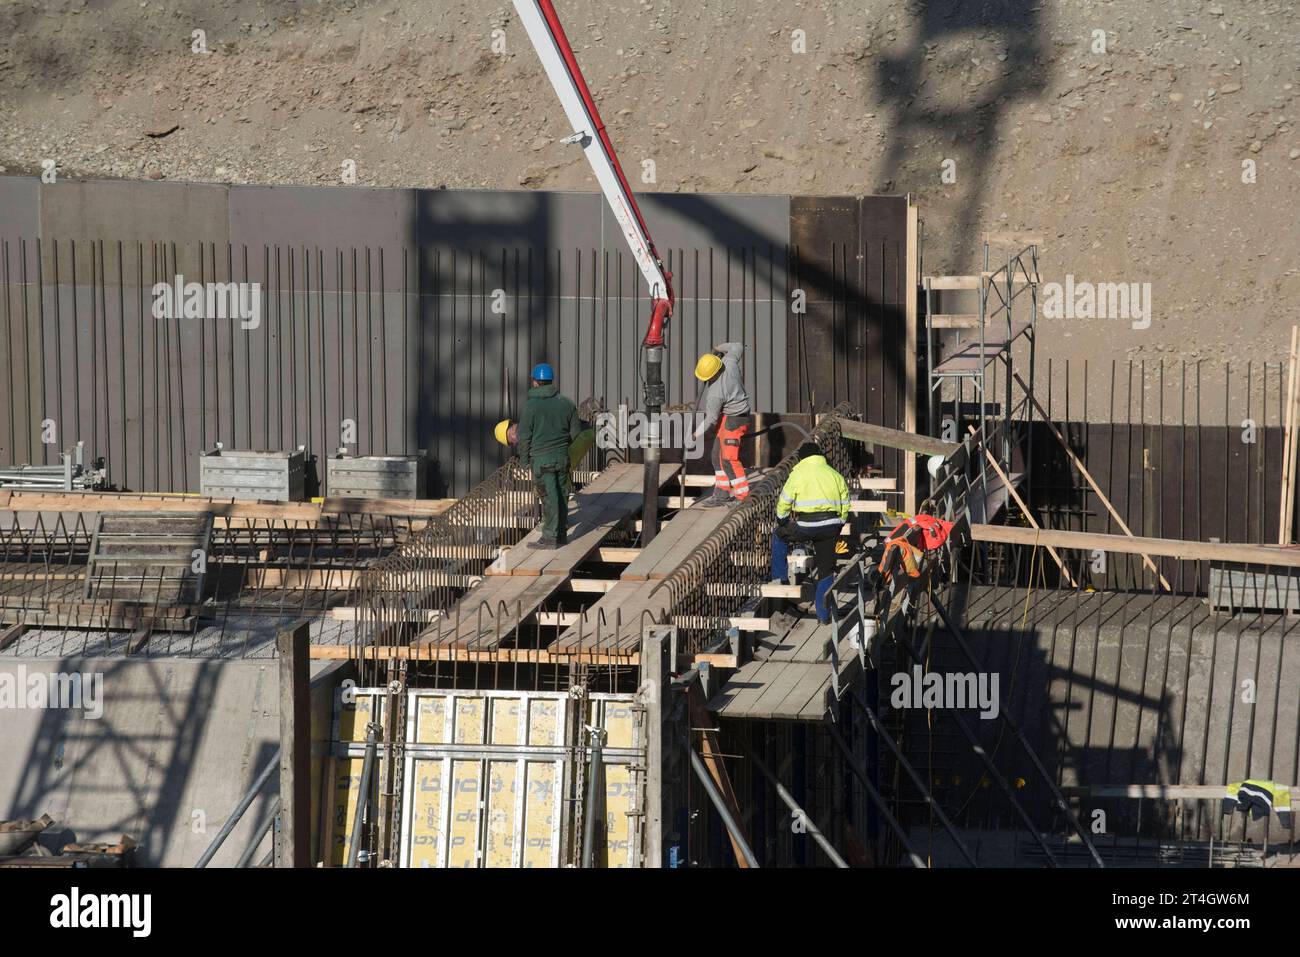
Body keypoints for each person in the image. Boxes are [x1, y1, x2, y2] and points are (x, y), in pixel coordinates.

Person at [770, 442, 851, 624]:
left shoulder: (798, 474)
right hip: (830, 526)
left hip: (806, 525)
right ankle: (823, 615)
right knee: (826, 570)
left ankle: (779, 578)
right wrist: (839, 523)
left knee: (779, 535)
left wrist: (782, 520)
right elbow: (846, 503)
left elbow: (784, 501)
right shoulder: (834, 474)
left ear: (802, 459)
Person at [514, 362, 580, 550]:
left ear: (535, 382)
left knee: (548, 497)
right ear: (551, 381)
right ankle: (560, 535)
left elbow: (524, 437)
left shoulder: (531, 406)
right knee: (561, 494)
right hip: (562, 458)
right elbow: (576, 434)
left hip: (541, 460)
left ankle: (550, 538)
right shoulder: (566, 403)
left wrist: (525, 462)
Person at [692, 342, 752, 506]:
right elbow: (738, 346)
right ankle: (722, 494)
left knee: (729, 459)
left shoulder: (715, 394)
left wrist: (694, 434)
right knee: (716, 455)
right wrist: (717, 348)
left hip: (735, 420)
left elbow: (710, 419)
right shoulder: (729, 362)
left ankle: (743, 497)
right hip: (731, 417)